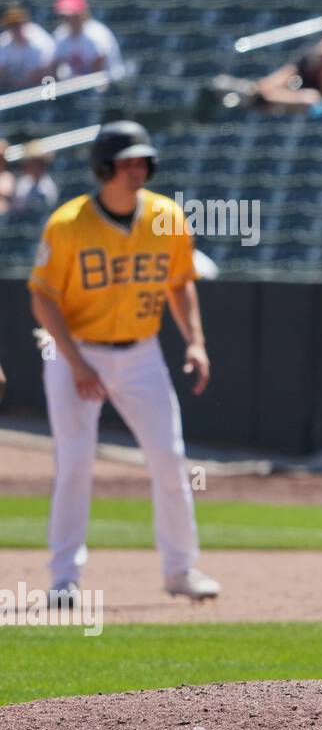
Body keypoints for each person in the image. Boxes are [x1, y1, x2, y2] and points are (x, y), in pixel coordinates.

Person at [27, 121, 220, 607]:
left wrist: (195, 341)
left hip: (140, 352)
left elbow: (179, 283)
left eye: (142, 162)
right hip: (74, 349)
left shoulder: (166, 216)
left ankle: (180, 570)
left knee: (169, 457)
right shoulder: (68, 224)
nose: (137, 170)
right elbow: (43, 300)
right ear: (103, 167)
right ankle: (64, 580)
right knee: (74, 462)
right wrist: (77, 364)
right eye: (127, 162)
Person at [255, 23, 322, 114]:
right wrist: (267, 85)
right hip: (299, 94)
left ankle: (268, 97)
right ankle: (263, 95)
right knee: (267, 88)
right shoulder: (311, 54)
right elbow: (288, 72)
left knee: (311, 97)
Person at [49, 0, 125, 81]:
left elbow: (98, 72)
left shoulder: (96, 34)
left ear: (82, 14)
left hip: (109, 82)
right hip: (79, 83)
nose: (69, 20)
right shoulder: (60, 34)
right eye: (65, 16)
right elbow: (54, 65)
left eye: (73, 16)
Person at [0, 5, 54, 91]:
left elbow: (40, 74)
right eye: (11, 25)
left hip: (41, 88)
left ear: (24, 23)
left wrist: (14, 85)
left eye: (17, 24)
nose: (15, 28)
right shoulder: (4, 42)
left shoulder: (38, 40)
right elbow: (2, 72)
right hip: (15, 87)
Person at [11, 146, 59, 213]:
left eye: (36, 163)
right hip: (24, 218)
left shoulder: (48, 183)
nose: (32, 166)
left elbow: (50, 204)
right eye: (30, 163)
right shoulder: (23, 181)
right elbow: (18, 204)